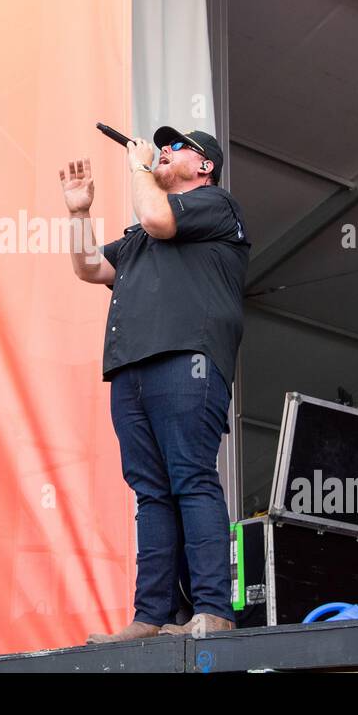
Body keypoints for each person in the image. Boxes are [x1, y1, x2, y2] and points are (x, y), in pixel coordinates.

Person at [60, 127, 250, 641]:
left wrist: (142, 168)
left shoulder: (215, 206)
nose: (164, 151)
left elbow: (158, 217)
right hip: (132, 369)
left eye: (177, 147)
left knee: (190, 478)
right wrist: (79, 213)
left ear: (205, 165)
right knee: (151, 493)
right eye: (161, 147)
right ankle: (153, 615)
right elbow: (88, 267)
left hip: (186, 360)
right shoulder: (141, 236)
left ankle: (212, 609)